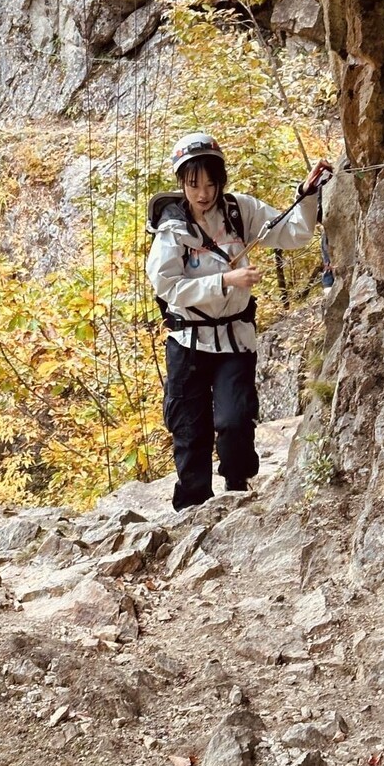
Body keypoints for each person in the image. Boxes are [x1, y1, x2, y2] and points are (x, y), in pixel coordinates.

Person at [146, 131, 331, 512]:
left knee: (234, 419)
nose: (203, 193)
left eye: (211, 183)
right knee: (190, 428)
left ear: (221, 181)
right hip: (188, 342)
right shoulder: (172, 229)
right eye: (194, 183)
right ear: (181, 182)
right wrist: (225, 280)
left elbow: (292, 232)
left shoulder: (239, 211)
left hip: (234, 339)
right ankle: (193, 506)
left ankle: (236, 483)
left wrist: (308, 194)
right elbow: (168, 287)